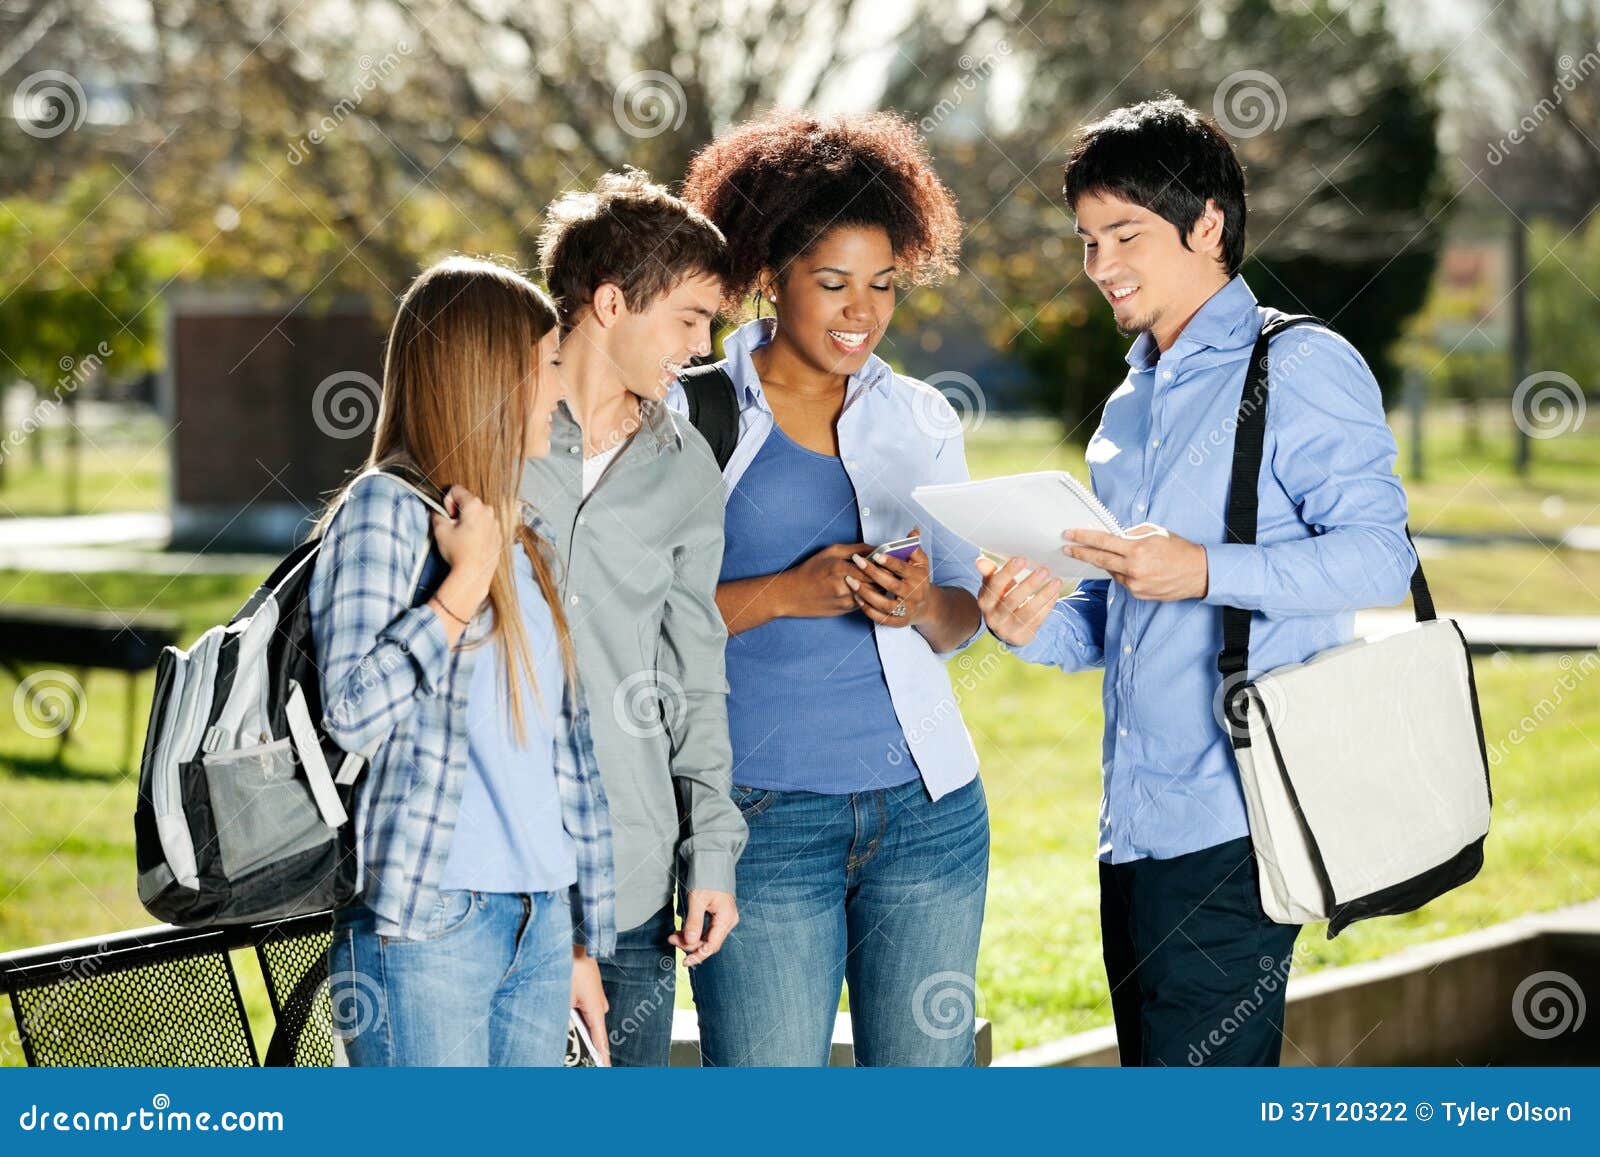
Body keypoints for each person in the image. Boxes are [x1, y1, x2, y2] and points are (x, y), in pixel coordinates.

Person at [978, 96, 1417, 1067]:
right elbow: (1110, 614)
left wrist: (1204, 566)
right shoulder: (1126, 403)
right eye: (1087, 241)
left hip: (1237, 818)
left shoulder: (1298, 365)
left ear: (1207, 224)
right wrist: (1024, 622)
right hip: (1131, 829)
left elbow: (1382, 556)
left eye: (1123, 234)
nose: (1100, 267)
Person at [670, 109, 989, 1067]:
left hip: (928, 817)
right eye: (834, 283)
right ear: (771, 275)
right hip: (758, 825)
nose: (862, 312)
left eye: (884, 285)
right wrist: (782, 591)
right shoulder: (690, 413)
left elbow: (961, 614)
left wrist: (922, 603)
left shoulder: (923, 416)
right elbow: (627, 620)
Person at [312, 256, 615, 1066]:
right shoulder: (386, 510)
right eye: (548, 363)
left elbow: (555, 758)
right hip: (430, 920)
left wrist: (578, 941)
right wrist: (462, 587)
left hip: (539, 920)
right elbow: (348, 711)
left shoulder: (526, 537)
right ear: (490, 374)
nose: (560, 386)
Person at [520, 170, 746, 1067]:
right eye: (690, 319)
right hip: (485, 876)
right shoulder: (484, 424)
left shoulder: (686, 465)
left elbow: (696, 672)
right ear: (611, 303)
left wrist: (714, 849)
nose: (700, 347)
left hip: (631, 880)